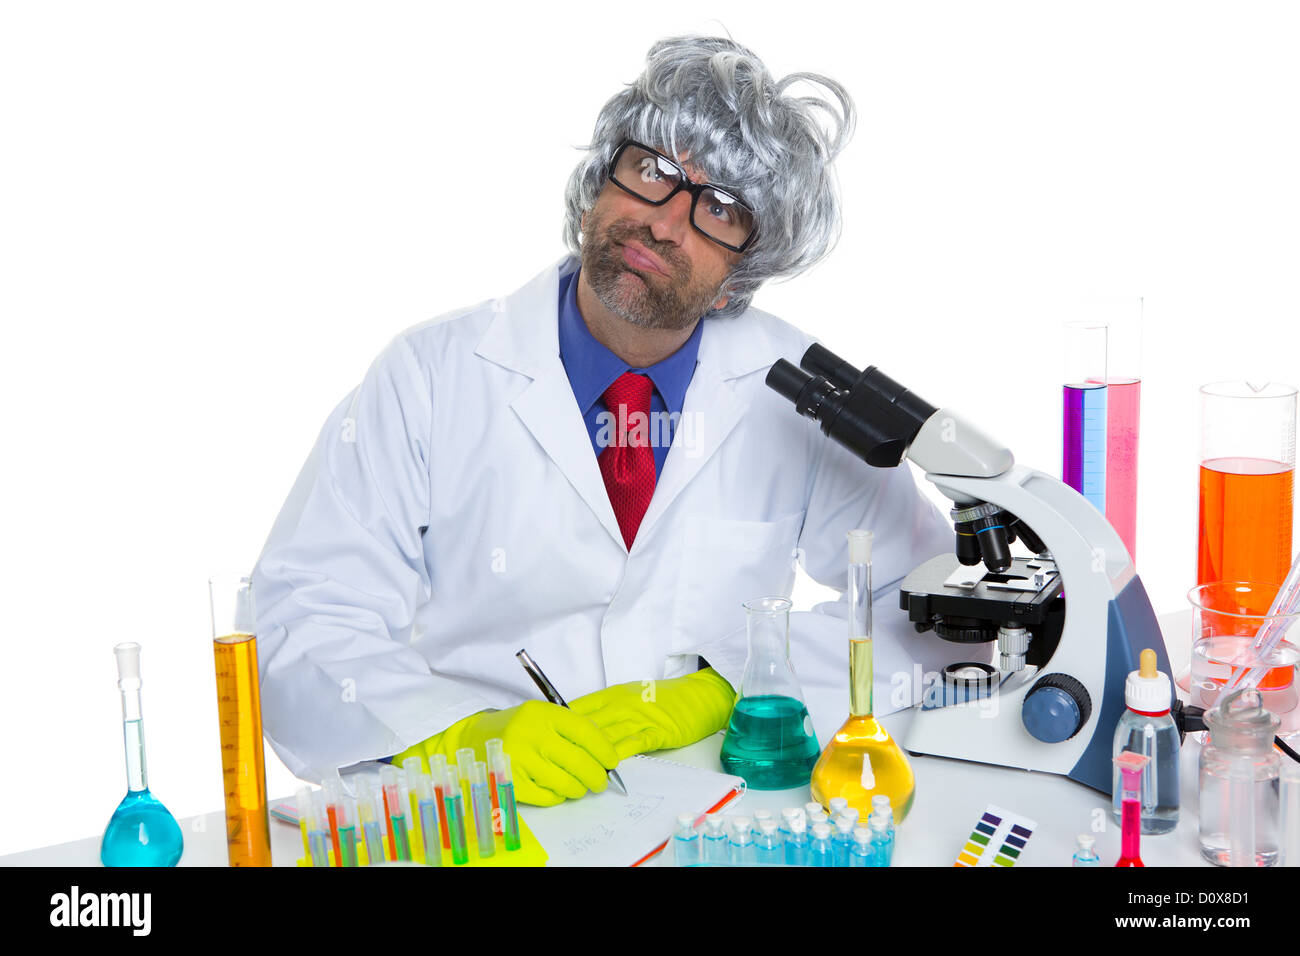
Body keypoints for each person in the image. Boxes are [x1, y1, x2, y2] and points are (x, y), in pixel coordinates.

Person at [252, 35, 954, 805]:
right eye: (653, 169)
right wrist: (453, 734)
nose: (664, 223)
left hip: (712, 808)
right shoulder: (430, 376)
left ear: (739, 277)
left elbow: (926, 603)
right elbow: (305, 612)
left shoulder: (798, 392)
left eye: (720, 210)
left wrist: (727, 689)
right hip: (488, 808)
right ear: (597, 184)